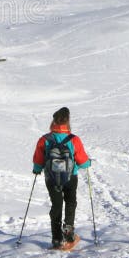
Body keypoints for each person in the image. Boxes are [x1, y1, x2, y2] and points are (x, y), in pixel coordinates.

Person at [32, 107, 91, 249]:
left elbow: (38, 160)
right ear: (67, 122)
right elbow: (82, 162)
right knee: (70, 202)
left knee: (56, 205)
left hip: (51, 179)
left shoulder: (44, 139)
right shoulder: (74, 139)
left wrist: (37, 170)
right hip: (70, 177)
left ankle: (56, 239)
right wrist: (88, 163)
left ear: (53, 122)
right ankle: (69, 234)